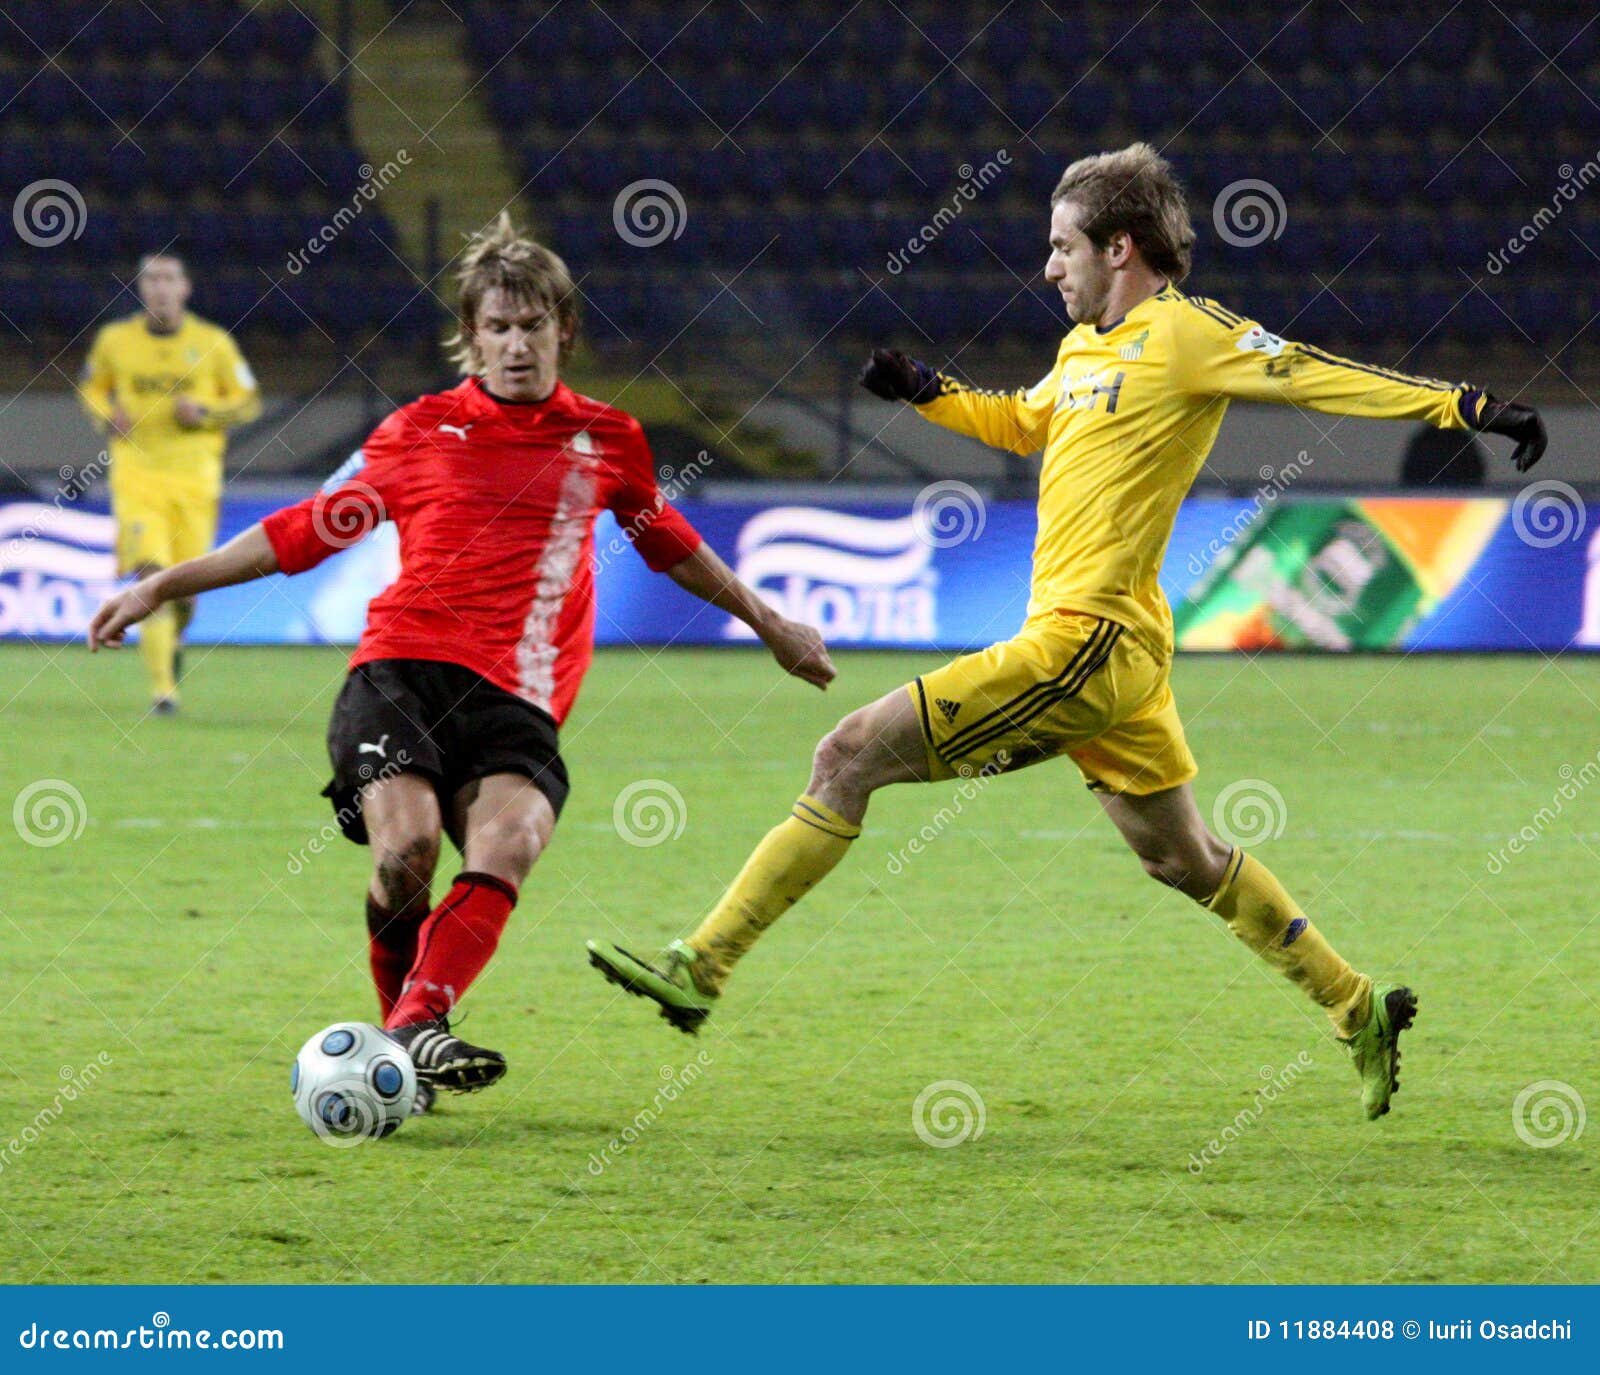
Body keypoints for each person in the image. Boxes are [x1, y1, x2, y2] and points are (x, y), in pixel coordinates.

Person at [587, 144, 1547, 1121]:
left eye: (1060, 247)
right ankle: (1355, 1008)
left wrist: (1459, 405)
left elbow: (1307, 375)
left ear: (1118, 247)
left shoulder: (1185, 334)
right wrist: (924, 388)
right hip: (1112, 650)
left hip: (1085, 645)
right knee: (1183, 859)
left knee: (845, 755)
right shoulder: (1084, 349)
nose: (1047, 268)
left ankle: (702, 965)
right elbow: (1024, 423)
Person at [90, 214, 834, 1109]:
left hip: (517, 696)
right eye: (498, 327)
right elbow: (297, 533)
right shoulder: (417, 432)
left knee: (511, 841)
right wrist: (161, 584)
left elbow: (668, 541)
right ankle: (408, 1031)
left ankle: (409, 1033)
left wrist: (769, 622)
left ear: (564, 330)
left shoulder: (609, 440)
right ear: (471, 337)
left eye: (533, 326)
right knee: (403, 853)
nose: (517, 345)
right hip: (399, 672)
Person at [77, 253, 261, 714]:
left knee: (184, 589)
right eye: (152, 279)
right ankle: (164, 691)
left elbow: (248, 402)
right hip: (137, 477)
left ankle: (170, 643)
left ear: (186, 288)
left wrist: (206, 413)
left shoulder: (213, 342)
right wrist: (105, 416)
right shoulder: (115, 340)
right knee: (150, 574)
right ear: (141, 289)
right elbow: (91, 387)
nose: (160, 287)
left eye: (169, 279)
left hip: (195, 482)